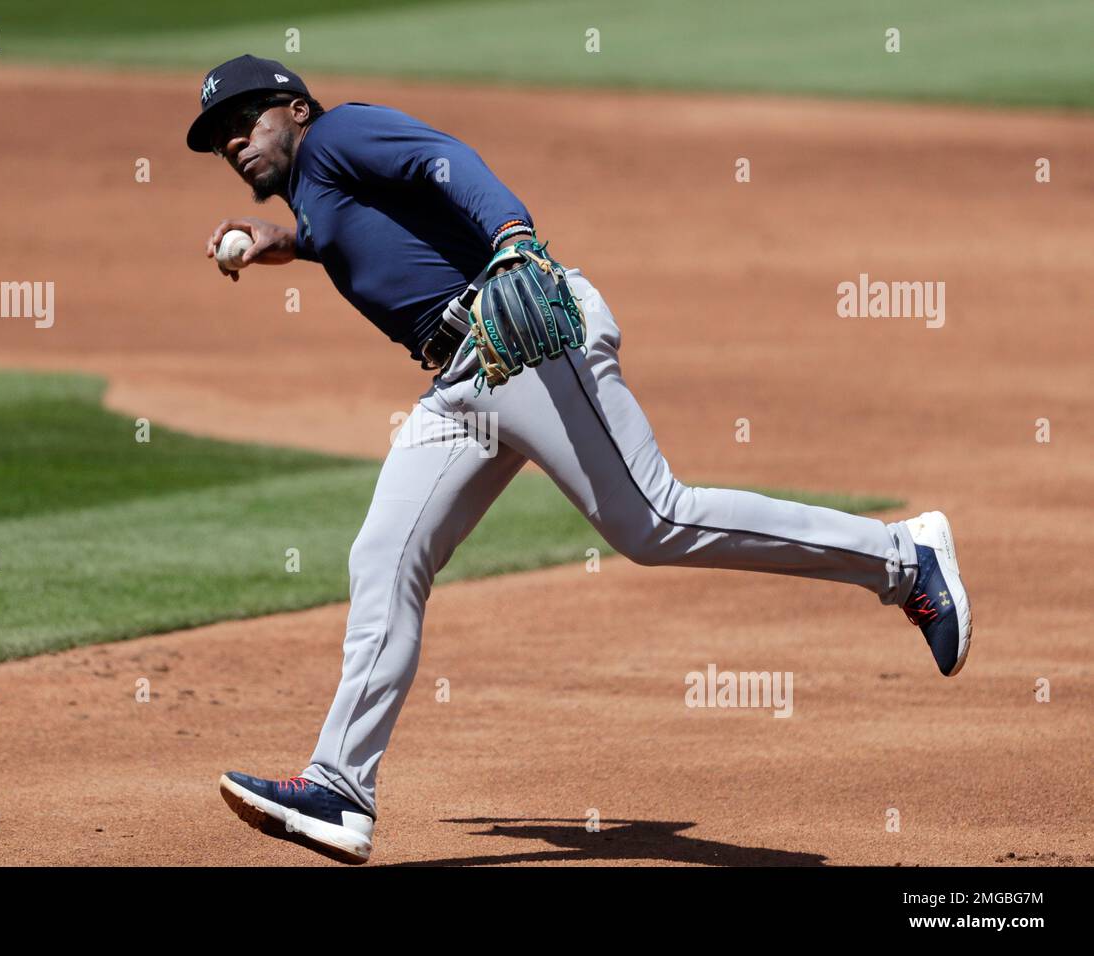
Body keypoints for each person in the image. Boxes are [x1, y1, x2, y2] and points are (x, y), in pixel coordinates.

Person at [186, 55, 973, 865]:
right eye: (219, 138)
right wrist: (285, 239)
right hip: (462, 386)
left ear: (296, 107)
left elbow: (441, 160)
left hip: (521, 337)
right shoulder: (316, 188)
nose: (235, 142)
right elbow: (360, 235)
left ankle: (903, 560)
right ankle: (340, 789)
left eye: (245, 119)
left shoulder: (342, 133)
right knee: (385, 553)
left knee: (654, 521)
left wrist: (513, 236)